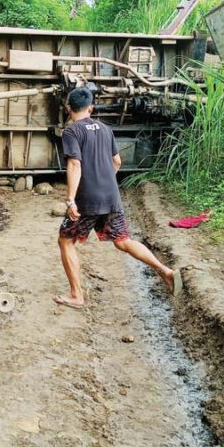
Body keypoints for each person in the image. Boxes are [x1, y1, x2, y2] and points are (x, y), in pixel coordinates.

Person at [55, 87, 175, 309]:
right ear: (90, 108)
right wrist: (105, 179)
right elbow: (117, 161)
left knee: (65, 240)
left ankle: (76, 295)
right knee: (123, 241)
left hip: (87, 200)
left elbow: (74, 164)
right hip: (111, 196)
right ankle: (164, 270)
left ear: (68, 108)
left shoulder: (72, 132)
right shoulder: (105, 129)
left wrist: (71, 199)